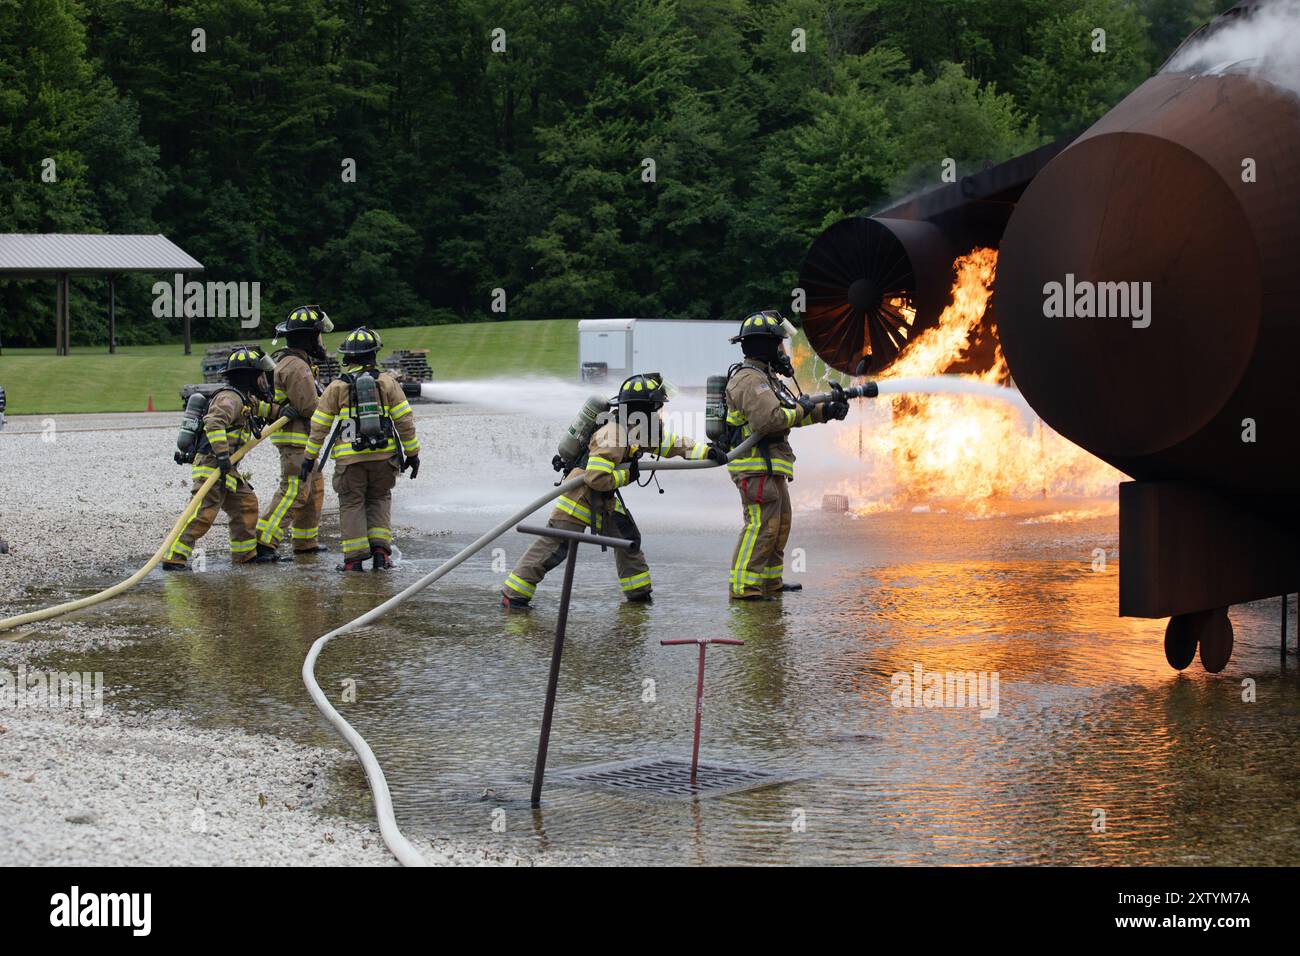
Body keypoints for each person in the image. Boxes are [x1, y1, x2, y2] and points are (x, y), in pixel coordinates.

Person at [501, 373, 716, 609]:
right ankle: (514, 596)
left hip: (603, 501)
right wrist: (628, 475)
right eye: (657, 409)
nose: (660, 414)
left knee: (628, 539)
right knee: (553, 548)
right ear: (643, 409)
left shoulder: (634, 428)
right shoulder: (613, 434)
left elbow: (670, 444)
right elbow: (596, 478)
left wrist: (705, 452)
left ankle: (639, 596)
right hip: (579, 500)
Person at [722, 311, 847, 600]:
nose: (783, 351)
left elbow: (792, 413)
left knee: (778, 527)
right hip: (754, 468)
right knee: (760, 527)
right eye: (779, 344)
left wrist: (826, 411)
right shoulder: (749, 381)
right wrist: (802, 409)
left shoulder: (767, 379)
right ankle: (744, 587)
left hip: (771, 466)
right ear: (764, 346)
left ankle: (769, 581)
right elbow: (772, 420)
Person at [301, 327, 420, 571]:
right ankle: (381, 555)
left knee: (352, 502)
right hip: (384, 459)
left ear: (348, 358)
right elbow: (405, 422)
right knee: (379, 498)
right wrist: (413, 454)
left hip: (349, 462)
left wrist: (308, 457)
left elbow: (319, 426)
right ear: (374, 355)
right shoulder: (388, 383)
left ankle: (354, 561)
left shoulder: (336, 387)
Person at [164, 346, 294, 570]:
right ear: (250, 376)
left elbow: (263, 410)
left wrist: (283, 413)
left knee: (245, 504)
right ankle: (174, 557)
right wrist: (223, 456)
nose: (264, 380)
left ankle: (245, 555)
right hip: (212, 465)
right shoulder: (229, 399)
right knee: (203, 514)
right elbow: (214, 423)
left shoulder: (244, 400)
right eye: (260, 375)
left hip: (227, 468)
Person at [255, 305, 332, 557]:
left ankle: (305, 542)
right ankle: (265, 542)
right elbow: (309, 406)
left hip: (304, 441)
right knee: (294, 491)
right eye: (318, 335)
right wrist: (337, 401)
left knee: (313, 489)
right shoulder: (296, 367)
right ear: (309, 338)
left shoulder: (297, 362)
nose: (321, 341)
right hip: (295, 440)